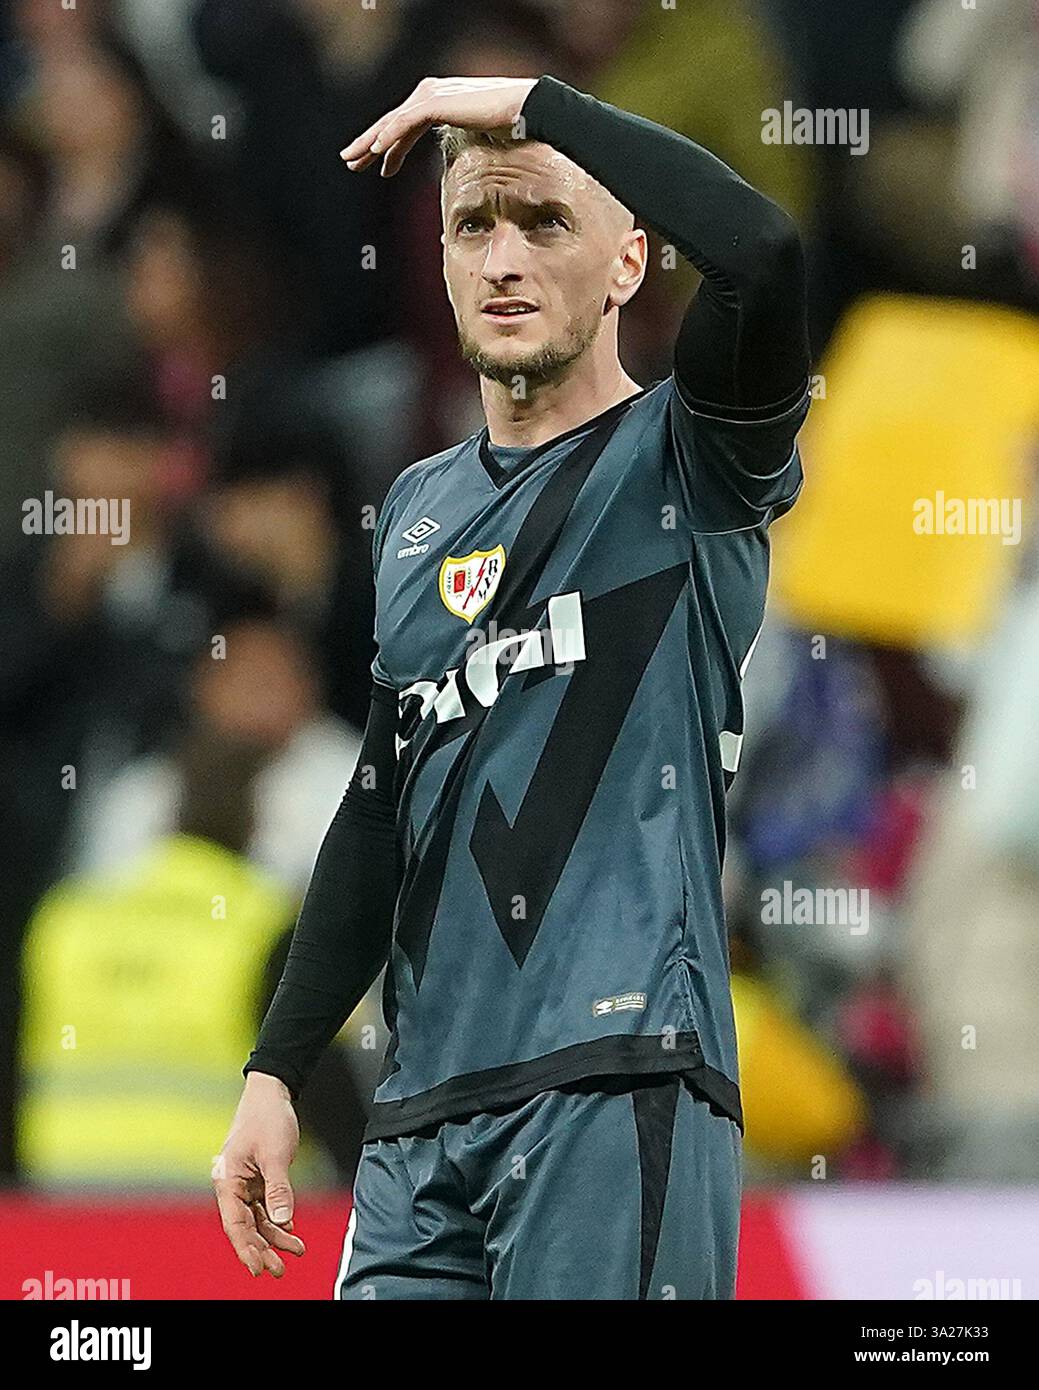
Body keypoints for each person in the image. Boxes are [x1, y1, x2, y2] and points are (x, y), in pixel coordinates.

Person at [215, 75, 810, 1299]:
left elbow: (762, 253)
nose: (503, 258)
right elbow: (383, 802)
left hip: (619, 1075)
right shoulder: (418, 509)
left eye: (545, 223)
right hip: (421, 1118)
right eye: (472, 224)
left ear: (631, 261)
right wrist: (276, 1069)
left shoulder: (693, 458)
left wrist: (530, 102)